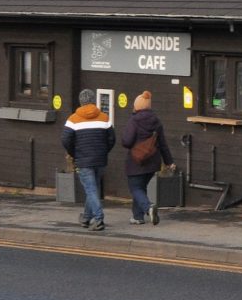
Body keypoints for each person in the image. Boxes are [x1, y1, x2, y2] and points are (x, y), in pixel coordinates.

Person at [119, 90, 176, 226]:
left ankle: (148, 207)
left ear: (136, 106)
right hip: (152, 162)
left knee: (135, 188)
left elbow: (127, 141)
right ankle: (137, 217)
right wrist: (169, 161)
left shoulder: (134, 121)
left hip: (136, 161)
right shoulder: (157, 121)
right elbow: (163, 144)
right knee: (141, 187)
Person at [60, 90, 114, 232]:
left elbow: (65, 139)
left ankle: (99, 219)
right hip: (100, 159)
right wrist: (104, 151)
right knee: (94, 188)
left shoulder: (73, 119)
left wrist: (74, 153)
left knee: (91, 190)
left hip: (83, 159)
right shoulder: (104, 118)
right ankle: (86, 217)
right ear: (93, 101)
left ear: (80, 101)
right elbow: (112, 139)